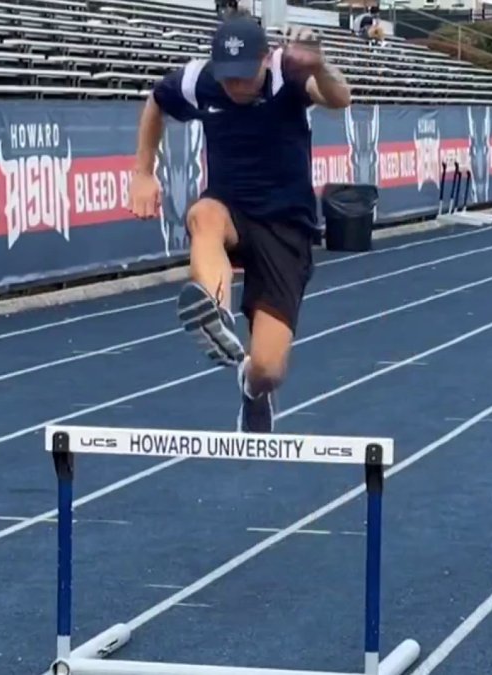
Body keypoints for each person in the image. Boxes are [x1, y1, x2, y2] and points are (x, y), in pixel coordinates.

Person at [128, 16, 352, 433]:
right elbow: (157, 102)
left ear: (265, 59)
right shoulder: (199, 80)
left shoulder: (288, 72)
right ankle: (214, 313)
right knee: (202, 216)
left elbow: (339, 98)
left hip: (286, 227)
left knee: (268, 368)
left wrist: (320, 65)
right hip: (230, 209)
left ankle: (252, 388)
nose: (235, 87)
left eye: (245, 77)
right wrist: (143, 171)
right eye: (228, 78)